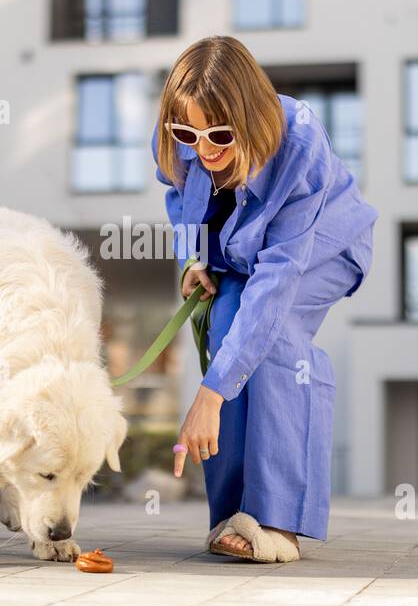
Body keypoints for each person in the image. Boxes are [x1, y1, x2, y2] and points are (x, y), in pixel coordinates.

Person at [152, 35, 377, 563]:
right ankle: (233, 515)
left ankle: (279, 522)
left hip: (321, 245)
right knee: (231, 329)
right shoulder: (178, 130)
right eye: (189, 133)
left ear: (249, 120)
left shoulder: (299, 146)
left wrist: (208, 396)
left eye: (221, 136)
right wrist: (194, 256)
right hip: (237, 250)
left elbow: (276, 282)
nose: (203, 150)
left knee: (272, 338)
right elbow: (177, 194)